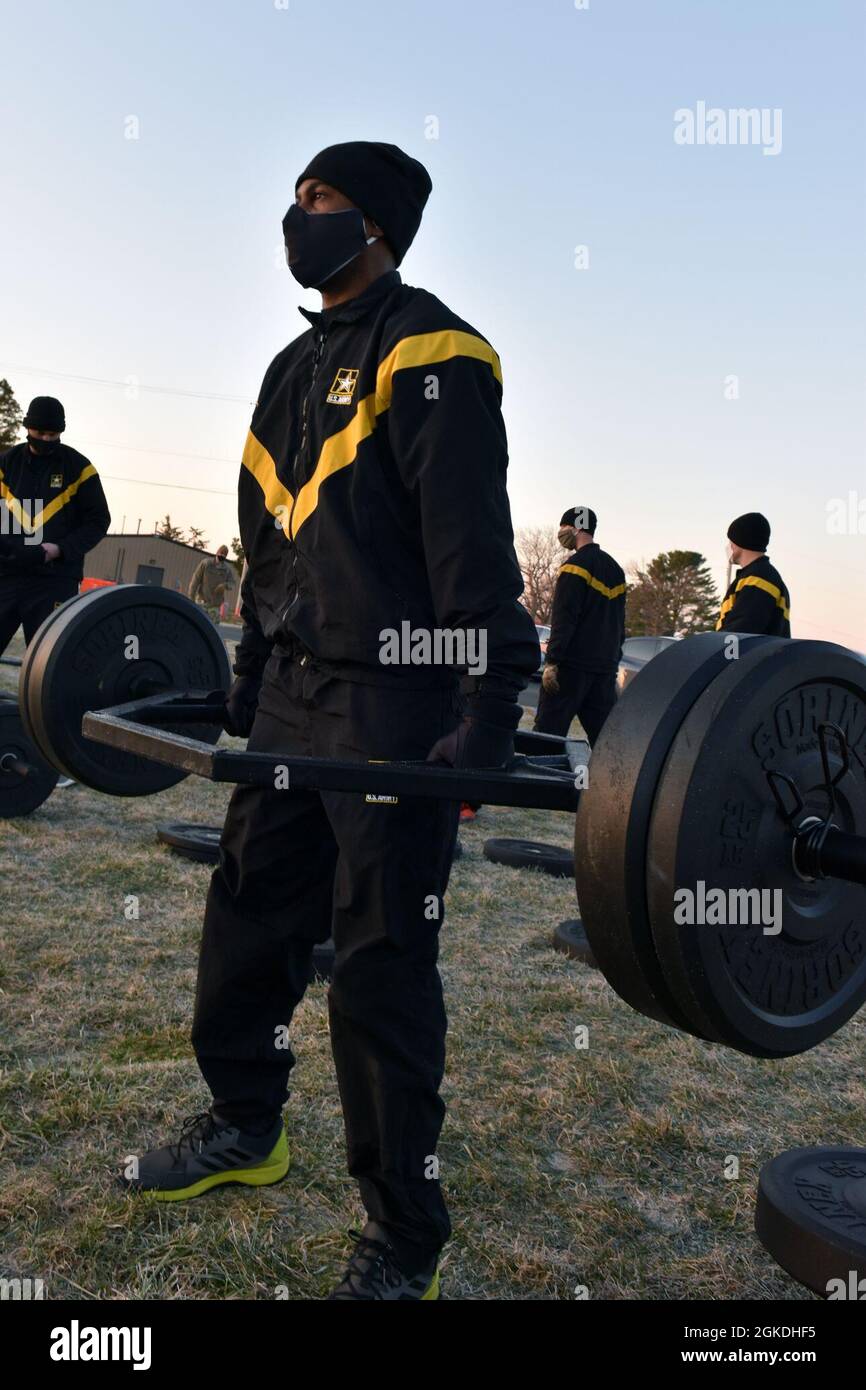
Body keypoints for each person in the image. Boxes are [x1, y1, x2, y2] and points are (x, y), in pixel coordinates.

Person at [123, 140, 540, 1300]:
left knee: (379, 969)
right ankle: (245, 1127)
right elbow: (267, 552)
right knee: (249, 916)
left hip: (397, 705)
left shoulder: (435, 353)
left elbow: (469, 546)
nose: (294, 220)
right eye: (294, 201)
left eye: (318, 204)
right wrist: (250, 688)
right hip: (296, 697)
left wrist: (489, 710)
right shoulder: (285, 371)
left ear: (378, 223)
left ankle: (403, 1235)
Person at [0, 396, 110, 655]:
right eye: (40, 433)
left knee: (49, 660)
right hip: (6, 576)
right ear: (27, 428)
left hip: (54, 580)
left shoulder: (80, 469)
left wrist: (60, 549)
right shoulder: (6, 465)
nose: (46, 440)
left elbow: (98, 520)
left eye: (53, 434)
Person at [534, 507, 625, 744]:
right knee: (607, 742)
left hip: (571, 667)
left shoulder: (575, 567)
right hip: (603, 669)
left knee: (546, 738)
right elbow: (618, 623)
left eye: (563, 527)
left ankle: (543, 782)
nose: (561, 532)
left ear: (577, 527)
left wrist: (552, 661)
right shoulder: (615, 570)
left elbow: (565, 618)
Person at [716, 512, 790, 636]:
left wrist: (715, 649)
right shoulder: (757, 576)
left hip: (748, 656)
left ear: (740, 542)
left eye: (731, 541)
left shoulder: (758, 579)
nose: (729, 546)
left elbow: (740, 633)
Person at [189, 544, 236, 623]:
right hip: (202, 602)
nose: (222, 556)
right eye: (221, 553)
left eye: (225, 555)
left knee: (213, 629)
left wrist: (225, 585)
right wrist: (191, 599)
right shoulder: (206, 564)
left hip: (215, 606)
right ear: (217, 553)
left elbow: (233, 583)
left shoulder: (227, 569)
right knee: (197, 624)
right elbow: (195, 581)